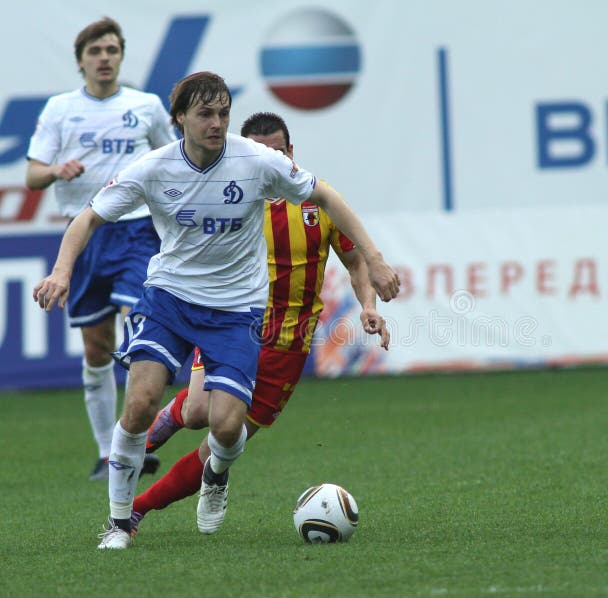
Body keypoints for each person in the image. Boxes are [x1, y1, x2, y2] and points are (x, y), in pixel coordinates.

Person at [33, 72, 400, 550]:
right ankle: (120, 522)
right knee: (140, 403)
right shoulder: (154, 167)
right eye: (206, 113)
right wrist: (62, 271)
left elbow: (326, 196)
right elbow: (89, 216)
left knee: (226, 428)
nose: (217, 122)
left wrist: (374, 259)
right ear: (180, 118)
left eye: (224, 112)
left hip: (236, 310)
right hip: (169, 298)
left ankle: (217, 474)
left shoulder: (256, 161)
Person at [129, 112, 390, 534]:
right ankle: (139, 447)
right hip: (230, 325)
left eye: (279, 151)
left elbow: (355, 261)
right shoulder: (231, 198)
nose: (271, 160)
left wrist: (368, 305)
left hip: (287, 345)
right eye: (261, 151)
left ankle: (137, 510)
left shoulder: (318, 202)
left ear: (291, 153)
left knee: (223, 440)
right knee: (197, 410)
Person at [26, 17, 175, 480]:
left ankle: (133, 440)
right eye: (95, 51)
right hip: (84, 233)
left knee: (138, 332)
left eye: (112, 49)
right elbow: (32, 173)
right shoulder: (60, 110)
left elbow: (172, 161)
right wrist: (56, 171)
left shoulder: (146, 106)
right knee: (96, 349)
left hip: (135, 230)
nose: (104, 57)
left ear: (121, 56)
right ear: (81, 61)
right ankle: (106, 452)